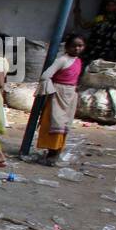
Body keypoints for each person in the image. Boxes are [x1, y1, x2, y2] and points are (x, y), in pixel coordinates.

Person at [36, 34, 87, 165]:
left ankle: (56, 151)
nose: (77, 49)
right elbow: (46, 76)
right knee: (55, 121)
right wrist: (51, 89)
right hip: (59, 94)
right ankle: (51, 152)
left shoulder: (78, 61)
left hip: (70, 95)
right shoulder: (62, 60)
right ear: (67, 47)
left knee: (65, 123)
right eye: (74, 46)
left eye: (80, 46)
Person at [82, 0, 116, 66]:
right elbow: (85, 26)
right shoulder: (101, 17)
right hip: (97, 45)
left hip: (111, 47)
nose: (110, 7)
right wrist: (77, 15)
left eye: (113, 5)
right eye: (108, 5)